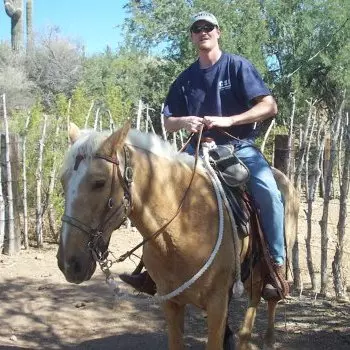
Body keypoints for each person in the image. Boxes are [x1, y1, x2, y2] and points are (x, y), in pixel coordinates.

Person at [120, 11, 288, 300]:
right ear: (192, 37)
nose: (203, 32)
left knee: (268, 192)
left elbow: (269, 106)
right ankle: (150, 270)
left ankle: (275, 267)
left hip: (238, 147)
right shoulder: (186, 79)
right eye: (197, 29)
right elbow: (167, 121)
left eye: (208, 27)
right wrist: (186, 122)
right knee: (157, 192)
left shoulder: (237, 67)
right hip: (196, 149)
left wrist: (229, 120)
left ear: (218, 32)